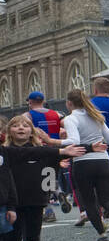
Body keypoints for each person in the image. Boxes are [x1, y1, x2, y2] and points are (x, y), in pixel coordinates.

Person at [2, 114, 85, 241]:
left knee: (33, 236)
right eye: (16, 125)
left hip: (35, 199)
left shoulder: (42, 150)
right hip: (13, 201)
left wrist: (91, 148)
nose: (21, 128)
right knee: (13, 237)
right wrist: (60, 151)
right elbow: (34, 153)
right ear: (9, 131)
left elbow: (65, 153)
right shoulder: (6, 151)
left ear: (32, 131)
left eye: (25, 125)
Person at [62, 89, 109, 241]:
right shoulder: (96, 116)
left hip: (82, 163)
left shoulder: (71, 119)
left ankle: (102, 235)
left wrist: (56, 142)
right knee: (107, 199)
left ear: (69, 103)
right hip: (103, 161)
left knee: (89, 201)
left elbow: (74, 141)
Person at [25, 91, 68, 221]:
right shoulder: (57, 114)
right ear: (43, 101)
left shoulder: (27, 116)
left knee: (40, 182)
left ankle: (49, 211)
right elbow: (66, 130)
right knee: (50, 176)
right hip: (55, 150)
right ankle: (59, 193)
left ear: (30, 102)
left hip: (38, 150)